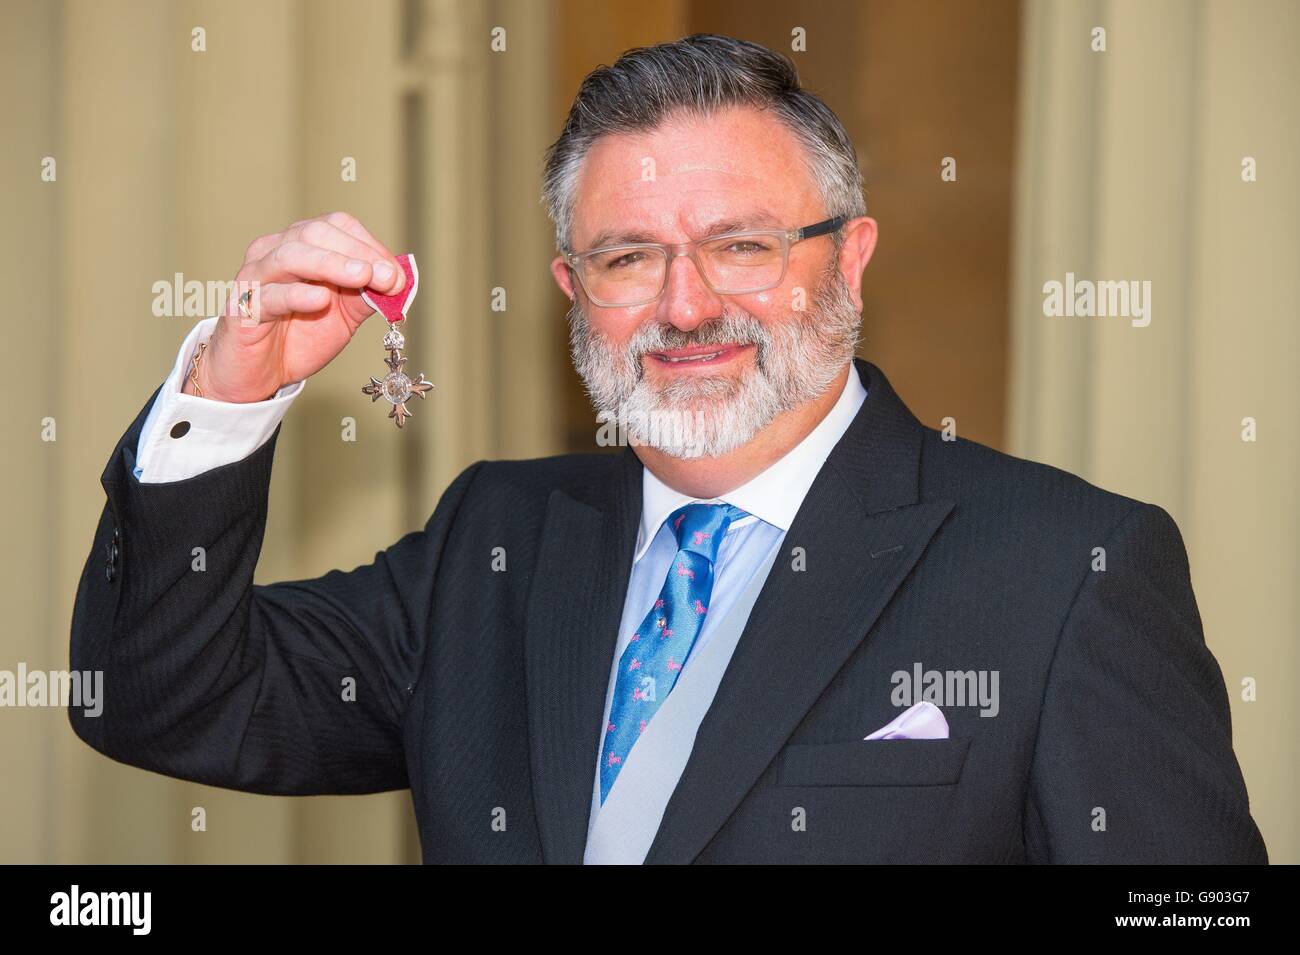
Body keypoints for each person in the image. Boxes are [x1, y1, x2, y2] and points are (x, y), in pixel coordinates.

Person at [68, 34, 1267, 864]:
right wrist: (229, 395)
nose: (685, 307)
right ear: (571, 289)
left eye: (742, 245)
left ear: (847, 259)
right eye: (628, 257)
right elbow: (155, 700)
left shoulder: (1068, 570)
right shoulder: (496, 541)